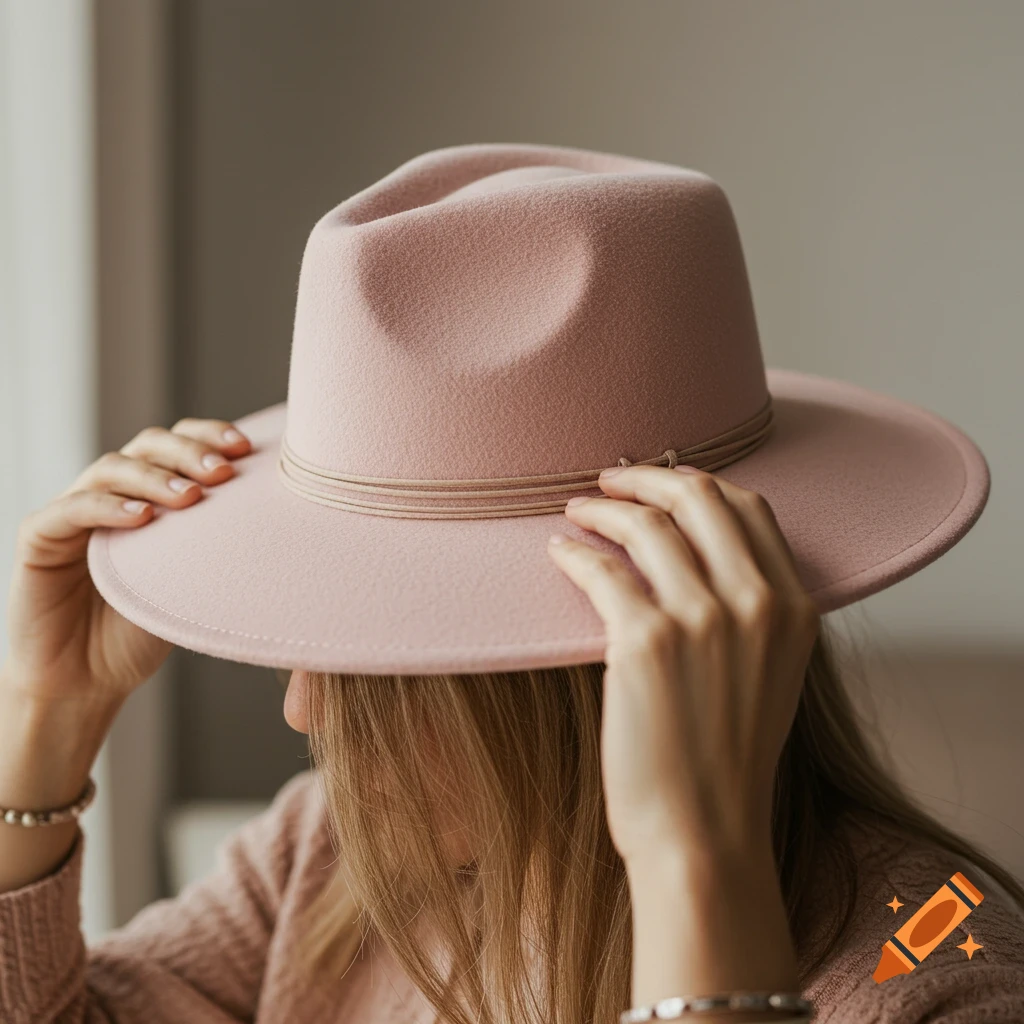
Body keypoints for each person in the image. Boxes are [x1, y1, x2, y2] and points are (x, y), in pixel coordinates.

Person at [2, 144, 1023, 1024]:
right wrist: (42, 716)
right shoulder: (331, 859)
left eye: (382, 644)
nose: (304, 708)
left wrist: (696, 865)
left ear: (591, 653)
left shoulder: (930, 953)